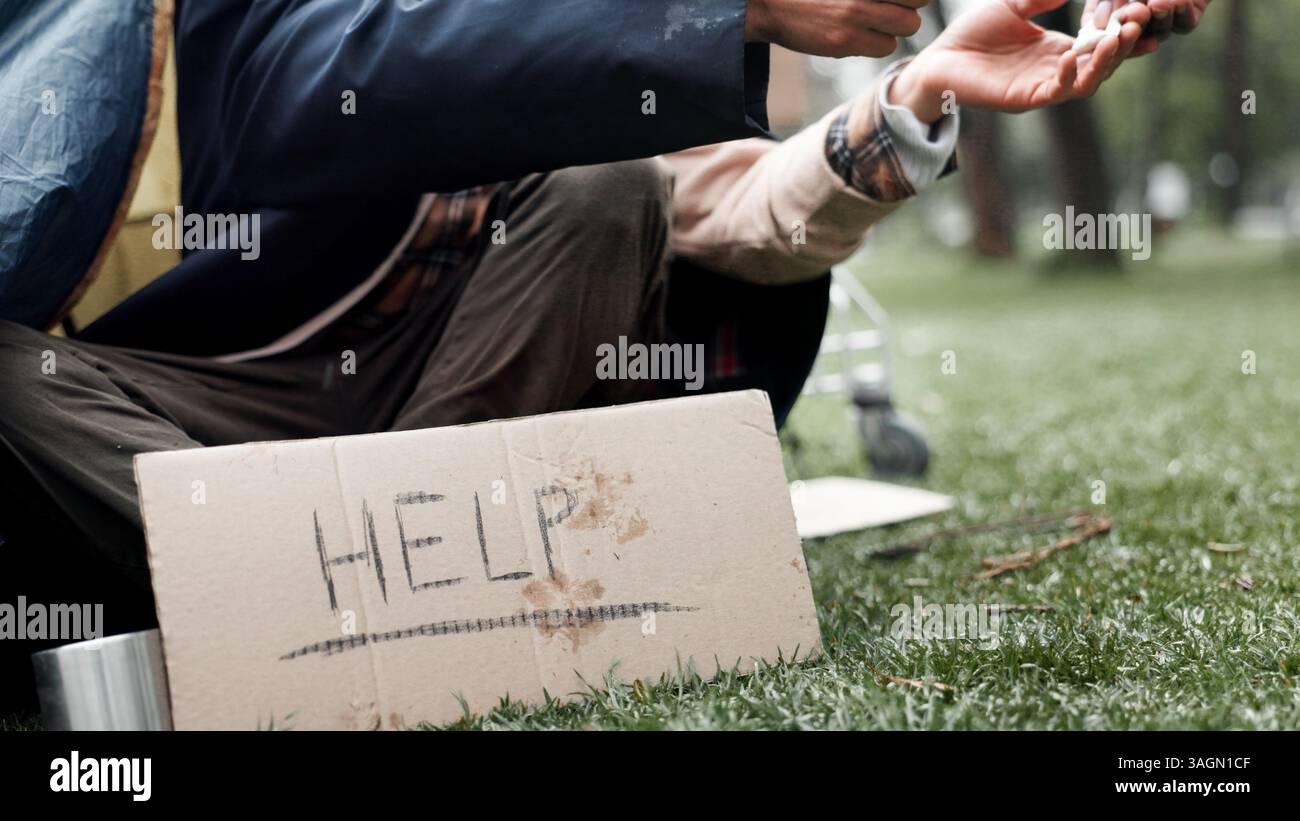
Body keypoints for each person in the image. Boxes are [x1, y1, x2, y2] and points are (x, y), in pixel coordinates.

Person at [0, 0, 1208, 713]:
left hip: (439, 470)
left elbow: (742, 212)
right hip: (168, 436)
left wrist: (916, 96)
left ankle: (405, 609)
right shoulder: (241, 50)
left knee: (607, 180)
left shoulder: (562, 81)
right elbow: (330, 74)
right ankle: (275, 596)